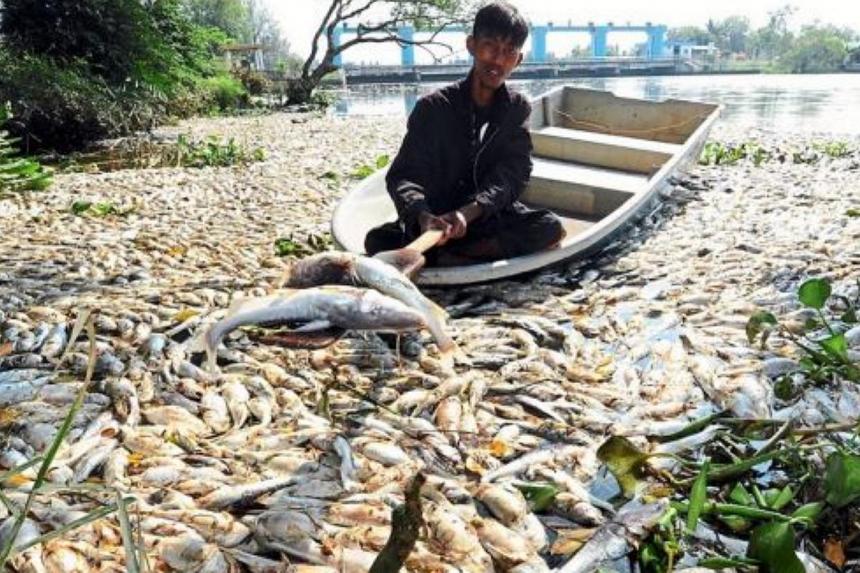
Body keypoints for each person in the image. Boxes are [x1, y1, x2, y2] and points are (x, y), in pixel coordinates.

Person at [364, 1, 564, 266]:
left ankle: (453, 256)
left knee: (549, 227)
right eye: (490, 45)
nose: (498, 60)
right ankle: (456, 253)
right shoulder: (433, 107)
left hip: (485, 216)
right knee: (376, 240)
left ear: (519, 59)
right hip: (436, 222)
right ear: (471, 45)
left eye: (509, 51)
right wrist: (423, 215)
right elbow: (404, 176)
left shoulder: (517, 108)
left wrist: (470, 212)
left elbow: (514, 173)